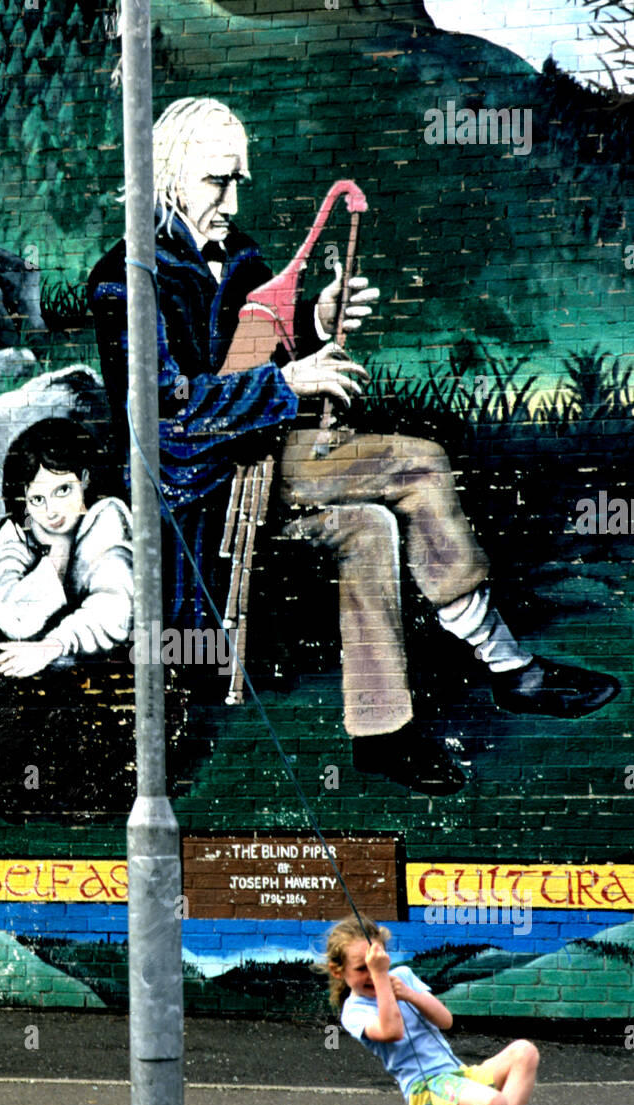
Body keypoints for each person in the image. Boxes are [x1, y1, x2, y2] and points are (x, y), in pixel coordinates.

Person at [87, 96, 620, 794]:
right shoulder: (127, 277)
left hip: (261, 461)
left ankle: (383, 733)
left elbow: (258, 343)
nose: (232, 195)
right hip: (197, 484)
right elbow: (163, 407)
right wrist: (288, 383)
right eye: (218, 180)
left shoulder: (237, 255)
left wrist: (314, 321)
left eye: (238, 178)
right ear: (167, 175)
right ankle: (508, 668)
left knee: (368, 527)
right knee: (417, 461)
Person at [0, 417, 141, 816]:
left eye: (63, 490)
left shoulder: (108, 517)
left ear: (86, 480)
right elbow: (11, 619)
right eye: (38, 499)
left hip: (98, 665)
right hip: (32, 667)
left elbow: (115, 608)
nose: (52, 511)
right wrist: (56, 555)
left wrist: (54, 645)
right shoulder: (14, 533)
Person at [324, 913, 540, 1105]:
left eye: (377, 965)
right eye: (363, 970)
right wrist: (383, 980)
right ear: (337, 971)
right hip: (427, 1092)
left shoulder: (404, 978)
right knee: (492, 1102)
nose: (372, 976)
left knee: (524, 1052)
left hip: (456, 1076)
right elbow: (392, 1031)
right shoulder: (354, 1011)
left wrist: (408, 993)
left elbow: (445, 1020)